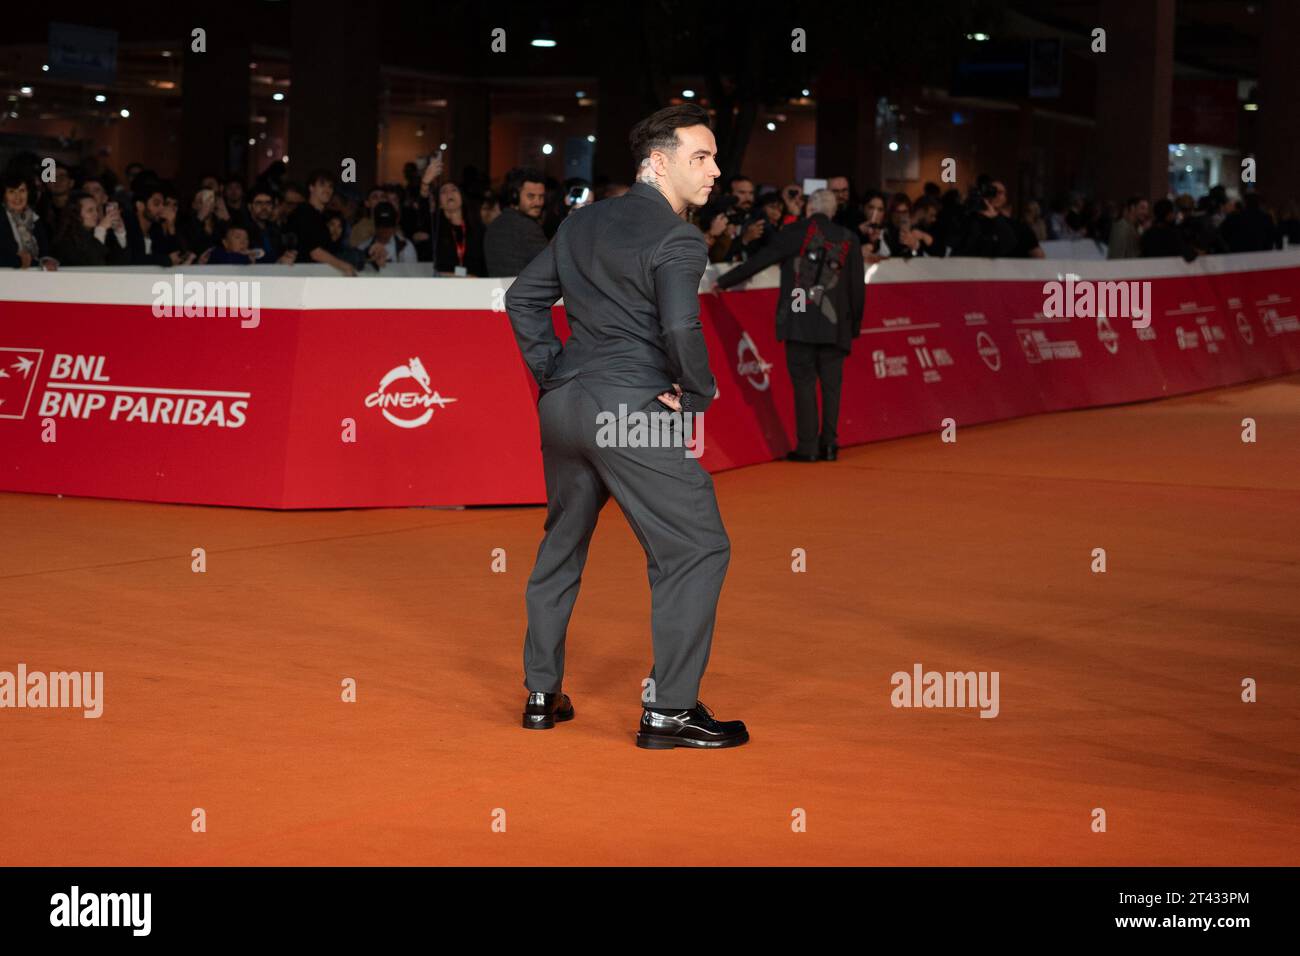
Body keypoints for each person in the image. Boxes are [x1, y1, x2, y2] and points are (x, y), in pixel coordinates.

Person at [504, 102, 745, 750]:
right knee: (696, 547)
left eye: (716, 156)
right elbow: (678, 327)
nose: (715, 170)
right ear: (656, 163)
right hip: (632, 411)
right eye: (701, 156)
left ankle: (540, 693)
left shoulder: (581, 223)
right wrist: (696, 396)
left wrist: (555, 367)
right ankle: (670, 711)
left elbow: (521, 298)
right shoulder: (678, 237)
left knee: (561, 545)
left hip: (564, 405)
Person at [711, 188, 864, 462]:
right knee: (832, 386)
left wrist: (723, 281)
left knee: (804, 384)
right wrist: (853, 327)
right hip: (835, 325)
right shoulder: (849, 238)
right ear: (833, 211)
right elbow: (856, 288)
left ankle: (807, 448)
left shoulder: (796, 232)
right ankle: (829, 445)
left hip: (800, 320)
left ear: (808, 208)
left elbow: (759, 261)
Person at [287, 169, 356, 275]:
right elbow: (315, 252)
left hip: (317, 274)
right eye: (322, 185)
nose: (327, 190)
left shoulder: (324, 217)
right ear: (311, 188)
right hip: (301, 275)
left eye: (330, 186)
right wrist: (343, 265)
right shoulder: (304, 212)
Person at [483, 166, 547, 276]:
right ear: (514, 196)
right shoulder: (527, 226)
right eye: (531, 196)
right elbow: (550, 265)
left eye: (541, 197)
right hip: (525, 291)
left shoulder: (497, 222)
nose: (538, 202)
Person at [51, 190, 130, 266]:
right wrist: (101, 229)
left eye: (97, 210)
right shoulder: (66, 241)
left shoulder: (100, 233)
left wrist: (120, 233)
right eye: (90, 210)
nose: (96, 214)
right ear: (75, 214)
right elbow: (93, 264)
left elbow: (121, 264)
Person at [1, 173, 56, 269]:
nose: (17, 196)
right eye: (11, 191)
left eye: (22, 190)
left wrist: (46, 261)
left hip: (33, 276)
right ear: (4, 195)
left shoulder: (36, 218)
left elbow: (45, 252)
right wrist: (18, 261)